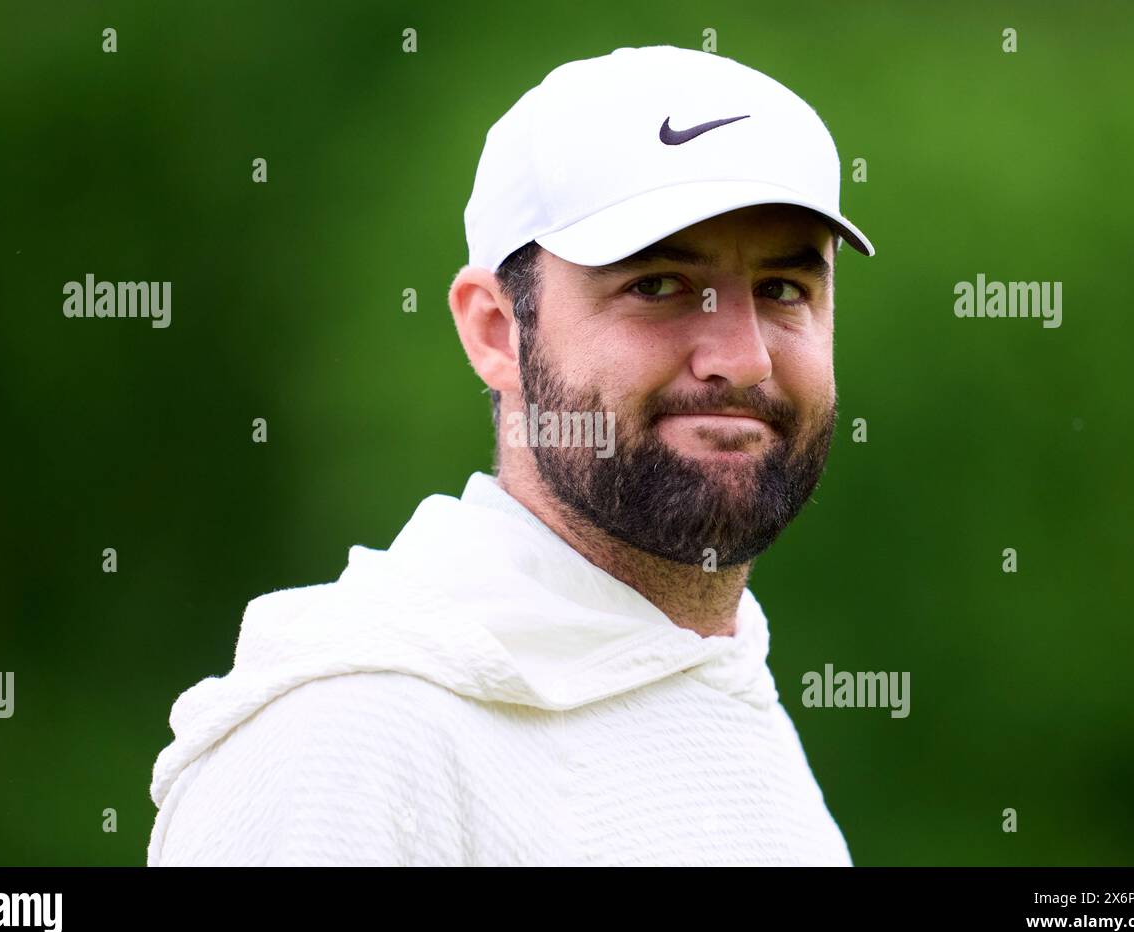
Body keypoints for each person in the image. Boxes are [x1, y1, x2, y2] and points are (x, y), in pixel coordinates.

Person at [148, 43, 874, 866]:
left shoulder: (725, 684)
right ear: (496, 330)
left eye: (785, 290)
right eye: (659, 285)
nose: (742, 358)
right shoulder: (348, 736)